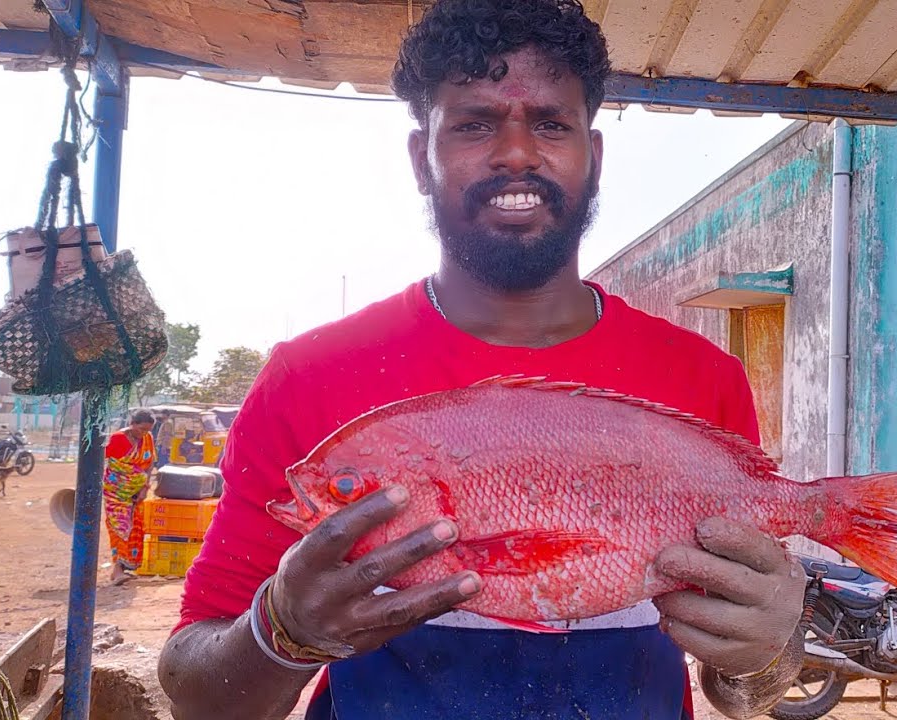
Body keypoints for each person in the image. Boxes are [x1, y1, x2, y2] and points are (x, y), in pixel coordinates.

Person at [157, 1, 806, 718]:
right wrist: (280, 633)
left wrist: (765, 656)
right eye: (473, 123)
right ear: (419, 156)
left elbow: (739, 690)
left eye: (551, 123)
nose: (518, 153)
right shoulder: (308, 379)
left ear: (594, 153)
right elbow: (195, 692)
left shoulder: (701, 378)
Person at [104, 409, 158, 586]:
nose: (143, 433)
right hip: (116, 492)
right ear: (132, 424)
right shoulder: (118, 439)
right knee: (119, 527)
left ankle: (125, 567)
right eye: (141, 429)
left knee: (134, 528)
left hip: (137, 493)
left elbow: (149, 465)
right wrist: (129, 482)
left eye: (147, 430)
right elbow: (113, 466)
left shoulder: (147, 439)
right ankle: (117, 570)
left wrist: (144, 488)